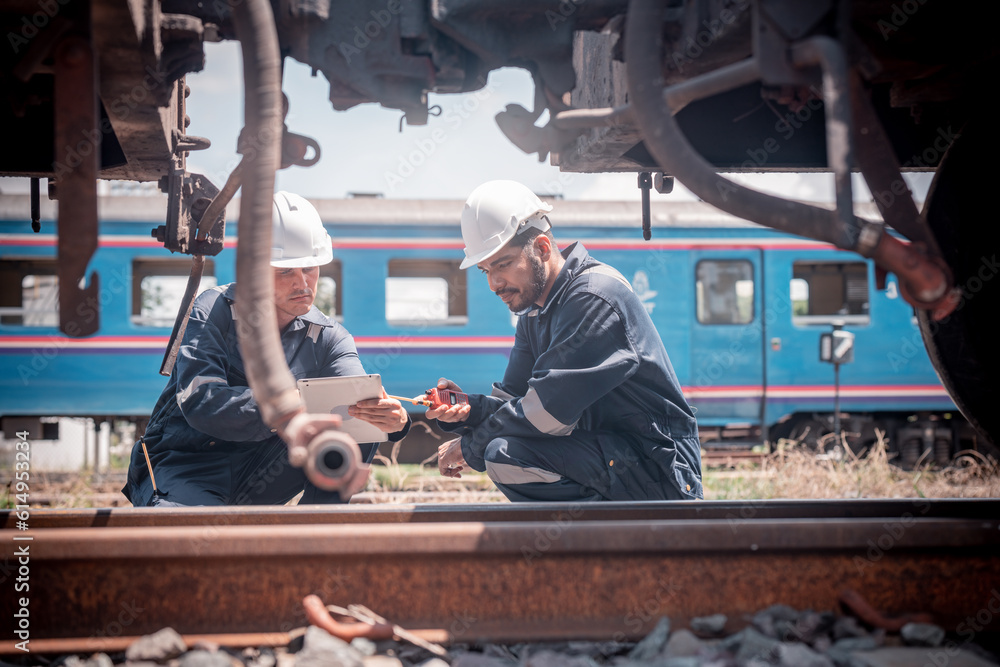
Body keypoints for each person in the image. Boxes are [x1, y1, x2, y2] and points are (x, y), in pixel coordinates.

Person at [122, 191, 409, 506]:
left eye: (310, 268)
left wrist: (393, 421)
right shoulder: (213, 311)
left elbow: (353, 394)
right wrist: (288, 406)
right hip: (189, 466)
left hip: (261, 473)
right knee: (189, 540)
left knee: (356, 423)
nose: (303, 283)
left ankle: (312, 540)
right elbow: (201, 401)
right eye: (286, 271)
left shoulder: (330, 336)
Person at [430, 180, 702, 502]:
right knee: (502, 449)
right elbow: (516, 402)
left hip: (655, 465)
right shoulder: (534, 313)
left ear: (543, 249)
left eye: (502, 265)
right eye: (485, 270)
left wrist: (469, 447)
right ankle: (588, 543)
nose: (494, 284)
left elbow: (545, 414)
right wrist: (470, 409)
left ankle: (599, 544)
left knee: (502, 453)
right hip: (611, 454)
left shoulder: (593, 298)